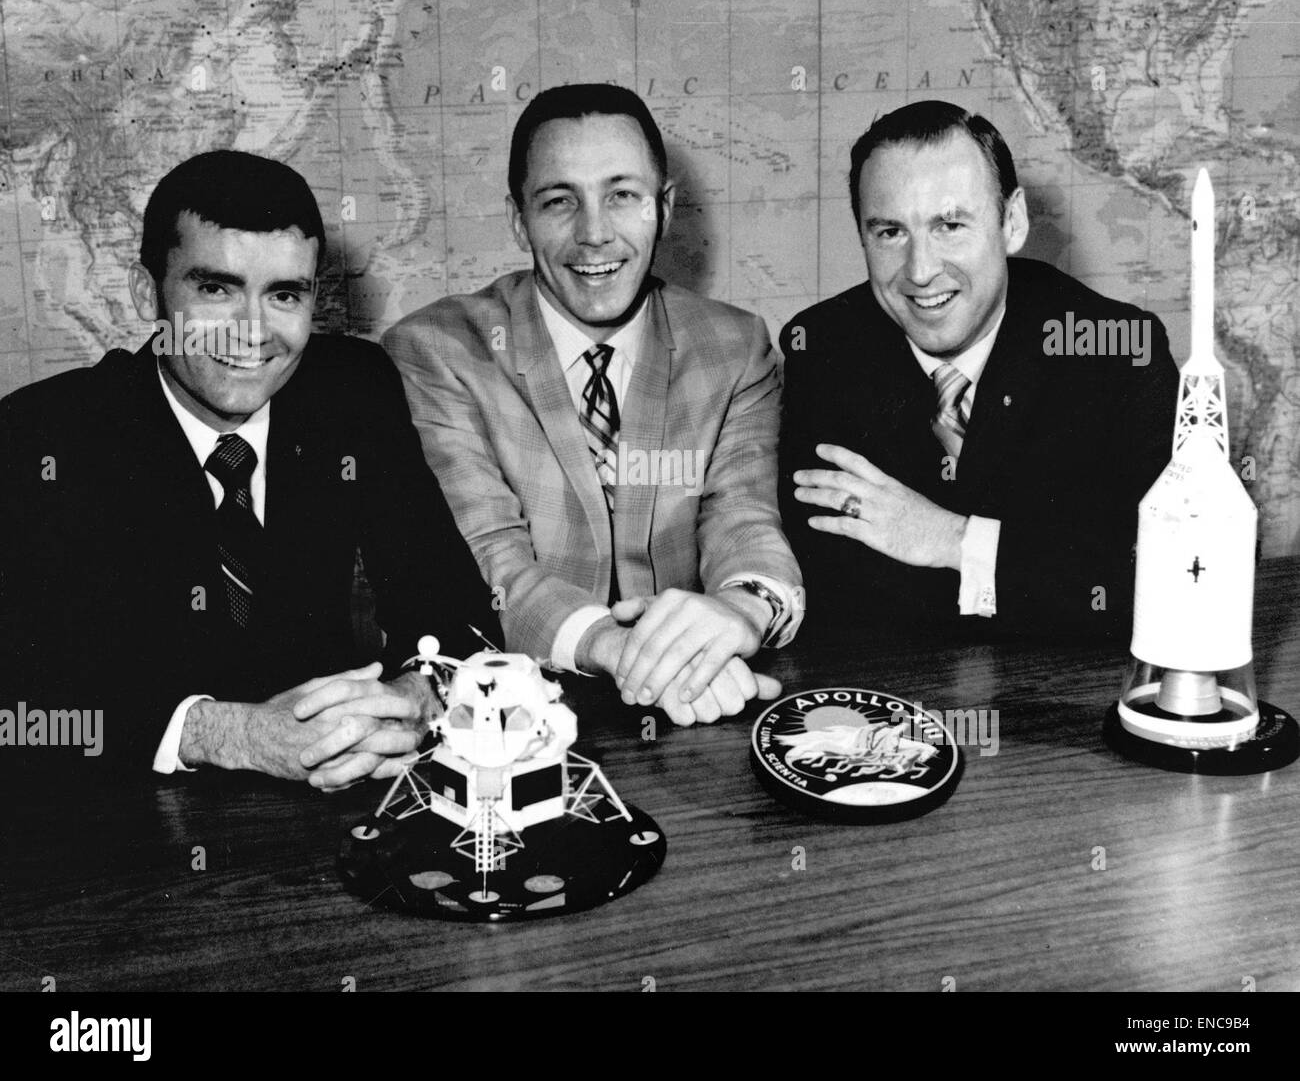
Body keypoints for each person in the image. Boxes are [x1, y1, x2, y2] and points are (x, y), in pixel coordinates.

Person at [0, 151, 499, 789]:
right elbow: (25, 709)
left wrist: (417, 694)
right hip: (122, 824)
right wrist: (223, 733)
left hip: (326, 805)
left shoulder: (352, 392)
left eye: (284, 295)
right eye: (215, 289)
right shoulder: (41, 439)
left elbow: (454, 609)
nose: (252, 332)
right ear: (147, 292)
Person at [383, 84, 804, 726]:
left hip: (702, 704)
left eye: (622, 196)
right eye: (559, 202)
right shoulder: (438, 350)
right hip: (510, 716)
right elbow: (490, 563)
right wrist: (636, 653)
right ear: (519, 219)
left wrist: (739, 612)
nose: (594, 234)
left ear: (662, 209)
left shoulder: (736, 346)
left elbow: (742, 519)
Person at [779, 101, 1178, 638]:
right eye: (890, 233)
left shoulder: (1119, 352)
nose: (920, 272)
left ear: (1011, 223)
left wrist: (951, 540)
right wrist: (1047, 566)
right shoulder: (823, 348)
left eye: (950, 225)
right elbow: (833, 589)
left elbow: (1178, 583)